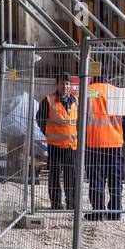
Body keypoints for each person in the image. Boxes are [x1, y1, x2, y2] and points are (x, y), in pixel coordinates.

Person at [83, 77, 125, 221]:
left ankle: (98, 212)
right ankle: (115, 212)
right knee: (115, 178)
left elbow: (81, 116)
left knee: (96, 178)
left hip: (94, 141)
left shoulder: (89, 91)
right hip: (115, 142)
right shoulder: (116, 91)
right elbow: (124, 120)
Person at [36, 76, 78, 210]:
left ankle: (71, 203)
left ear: (70, 85)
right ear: (57, 84)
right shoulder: (49, 100)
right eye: (62, 83)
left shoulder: (76, 100)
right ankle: (56, 203)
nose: (65, 86)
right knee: (54, 175)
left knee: (70, 175)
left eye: (67, 84)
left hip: (71, 145)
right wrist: (48, 133)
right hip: (55, 145)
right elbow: (40, 119)